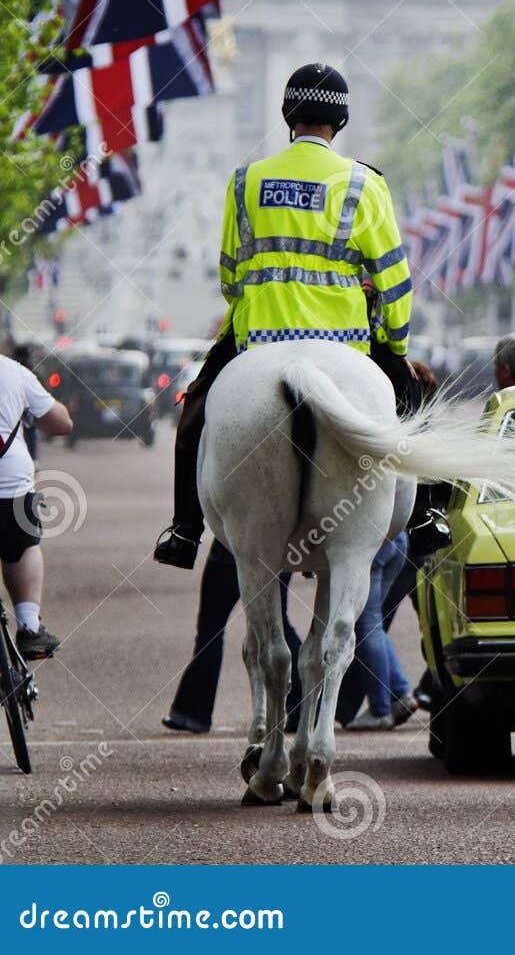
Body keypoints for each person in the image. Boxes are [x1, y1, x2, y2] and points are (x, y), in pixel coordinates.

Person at [152, 63, 416, 569]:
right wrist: (394, 346)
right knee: (413, 405)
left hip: (257, 337)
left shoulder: (245, 181)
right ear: (339, 121)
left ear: (286, 114)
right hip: (347, 340)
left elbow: (230, 274)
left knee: (194, 414)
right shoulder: (365, 183)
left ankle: (184, 528)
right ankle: (427, 517)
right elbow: (393, 280)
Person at [162, 542, 304, 734]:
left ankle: (185, 532)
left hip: (232, 547)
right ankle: (306, 707)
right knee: (278, 624)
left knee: (211, 628)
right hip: (285, 547)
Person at [0, 351, 73, 659]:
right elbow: (61, 424)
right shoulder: (13, 372)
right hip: (9, 489)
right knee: (23, 546)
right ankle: (30, 626)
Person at [344, 533, 418, 730]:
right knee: (373, 624)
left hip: (374, 543)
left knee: (366, 626)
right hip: (398, 539)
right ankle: (400, 692)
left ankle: (380, 710)